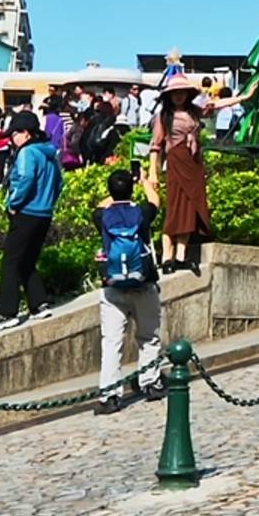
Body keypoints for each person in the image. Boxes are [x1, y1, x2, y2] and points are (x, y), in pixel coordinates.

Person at [92, 168, 162, 413]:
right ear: (131, 190)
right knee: (148, 337)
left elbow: (100, 207)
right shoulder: (141, 213)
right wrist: (142, 181)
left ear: (110, 191)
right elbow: (155, 200)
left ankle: (109, 396)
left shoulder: (102, 216)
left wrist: (115, 193)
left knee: (111, 342)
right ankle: (151, 383)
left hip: (112, 288)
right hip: (144, 283)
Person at [0, 112, 63, 332]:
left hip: (26, 213)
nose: (12, 139)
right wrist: (48, 201)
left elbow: (26, 178)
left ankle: (6, 313)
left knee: (10, 262)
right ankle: (38, 304)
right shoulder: (50, 152)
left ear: (26, 133)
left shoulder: (27, 152)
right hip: (44, 214)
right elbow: (59, 182)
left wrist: (14, 202)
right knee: (27, 260)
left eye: (14, 134)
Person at [149, 81, 212, 274]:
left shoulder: (194, 112)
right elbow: (156, 145)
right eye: (174, 93)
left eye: (182, 92)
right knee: (174, 209)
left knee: (189, 210)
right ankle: (167, 257)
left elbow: (217, 104)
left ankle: (181, 256)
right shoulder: (164, 116)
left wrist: (244, 97)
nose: (178, 96)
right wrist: (153, 172)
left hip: (193, 163)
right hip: (176, 162)